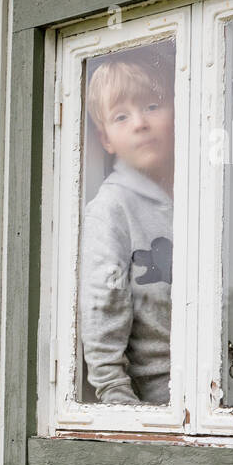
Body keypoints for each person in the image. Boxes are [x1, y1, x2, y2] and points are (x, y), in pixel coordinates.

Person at [78, 47, 178, 404]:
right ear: (105, 139)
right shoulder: (111, 209)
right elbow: (103, 303)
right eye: (122, 116)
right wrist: (119, 402)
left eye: (152, 106)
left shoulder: (213, 194)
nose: (140, 123)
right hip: (157, 399)